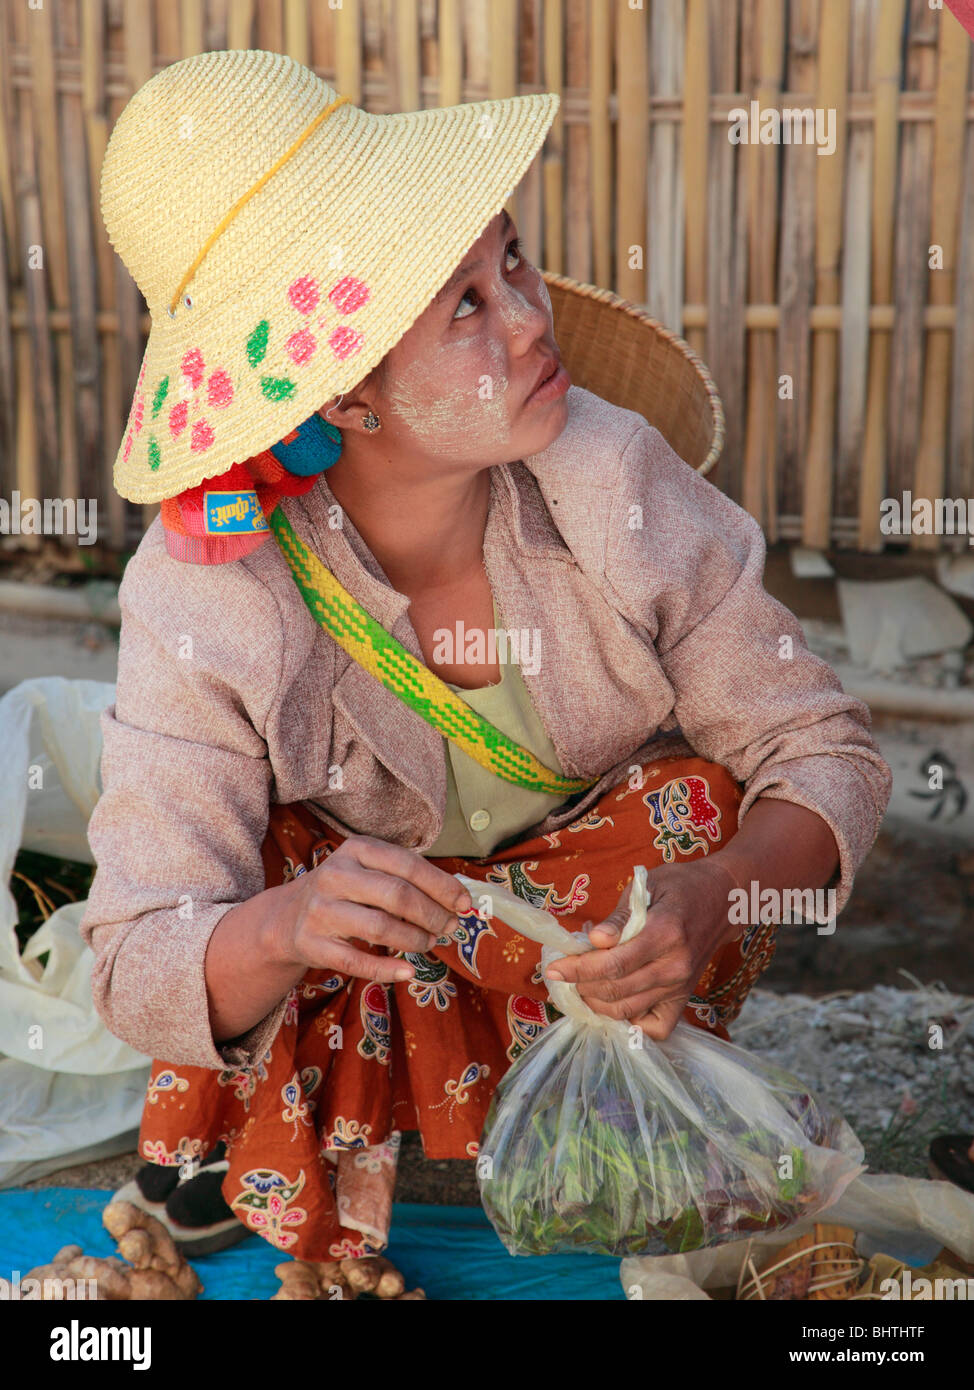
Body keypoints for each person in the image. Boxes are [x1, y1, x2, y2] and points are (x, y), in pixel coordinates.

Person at [81, 50, 892, 1263]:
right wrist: (289, 923)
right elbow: (135, 944)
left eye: (509, 260)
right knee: (258, 875)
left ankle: (596, 1105)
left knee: (693, 805)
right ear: (340, 393)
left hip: (574, 945)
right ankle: (262, 1147)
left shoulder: (609, 479)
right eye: (465, 304)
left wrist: (714, 891)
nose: (527, 316)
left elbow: (823, 751)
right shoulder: (212, 595)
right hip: (379, 970)